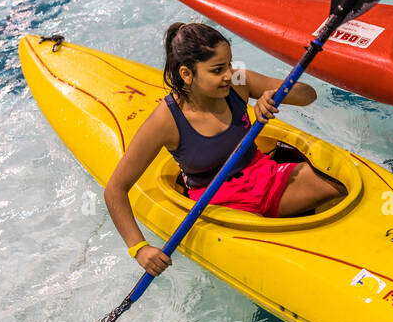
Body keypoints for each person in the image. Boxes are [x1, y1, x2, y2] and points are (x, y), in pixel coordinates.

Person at [104, 23, 347, 277]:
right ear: (187, 74)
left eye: (229, 64)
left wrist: (275, 95)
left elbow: (309, 95)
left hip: (267, 178)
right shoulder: (165, 121)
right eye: (218, 70)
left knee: (340, 188)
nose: (229, 75)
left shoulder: (239, 82)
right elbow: (115, 190)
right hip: (219, 207)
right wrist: (139, 248)